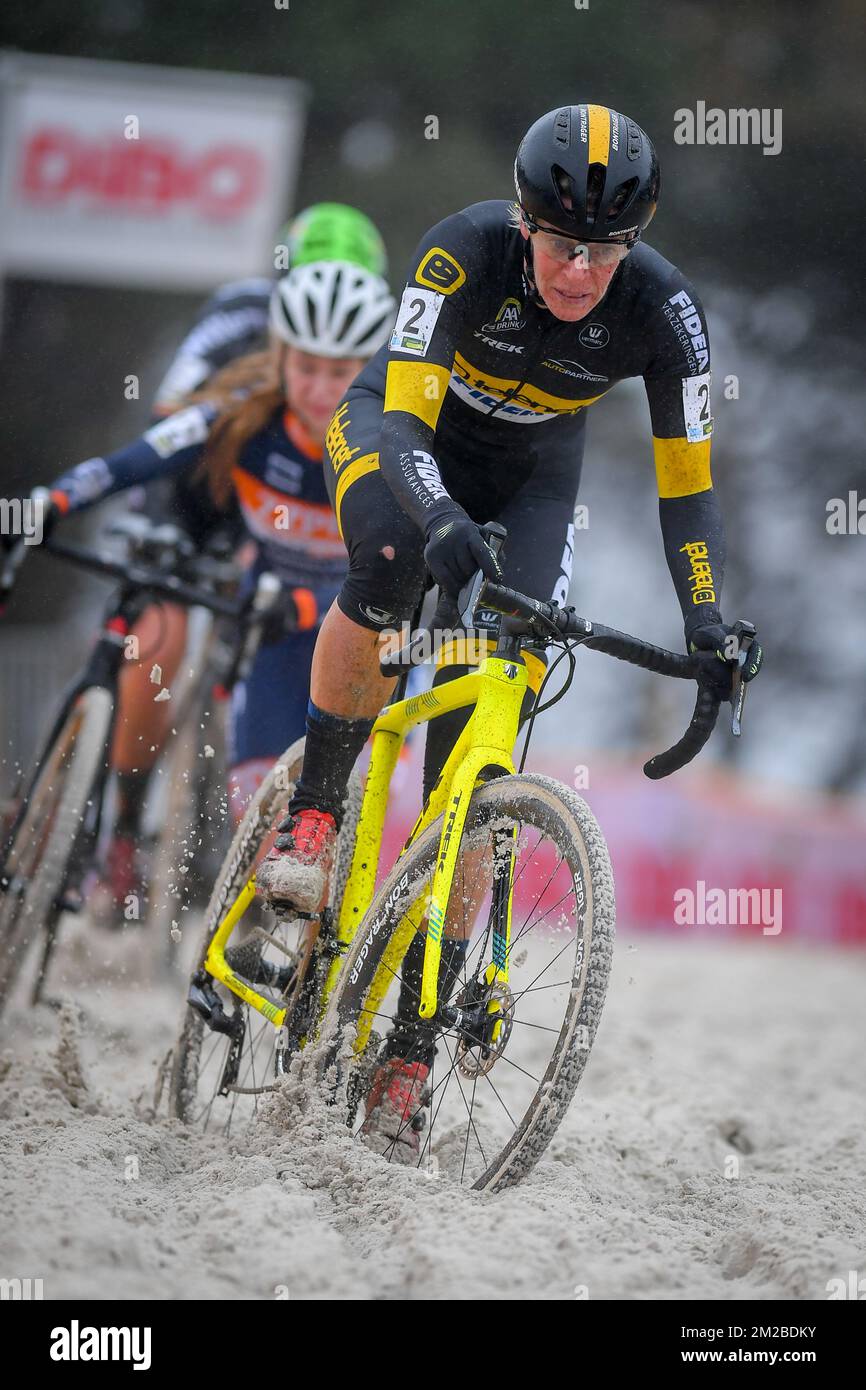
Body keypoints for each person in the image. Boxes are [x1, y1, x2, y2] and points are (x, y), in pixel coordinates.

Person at [253, 103, 764, 1160]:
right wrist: (436, 514)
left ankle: (409, 1046)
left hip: (533, 483)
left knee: (485, 740)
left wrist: (707, 618)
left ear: (637, 237)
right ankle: (312, 811)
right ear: (524, 221)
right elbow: (398, 421)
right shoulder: (461, 253)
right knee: (389, 565)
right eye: (562, 243)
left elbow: (687, 493)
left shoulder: (667, 316)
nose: (581, 271)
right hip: (406, 437)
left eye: (606, 249)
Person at [36, 260, 395, 850]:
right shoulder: (242, 416)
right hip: (272, 639)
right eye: (305, 367)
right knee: (257, 832)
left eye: (341, 371)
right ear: (279, 356)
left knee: (361, 833)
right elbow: (135, 460)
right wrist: (50, 500)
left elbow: (412, 572)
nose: (320, 389)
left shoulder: (390, 440)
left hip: (365, 636)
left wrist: (309, 606)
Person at [103, 205, 390, 905]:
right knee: (159, 623)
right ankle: (124, 825)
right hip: (210, 476)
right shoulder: (241, 310)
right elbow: (170, 417)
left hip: (296, 493)